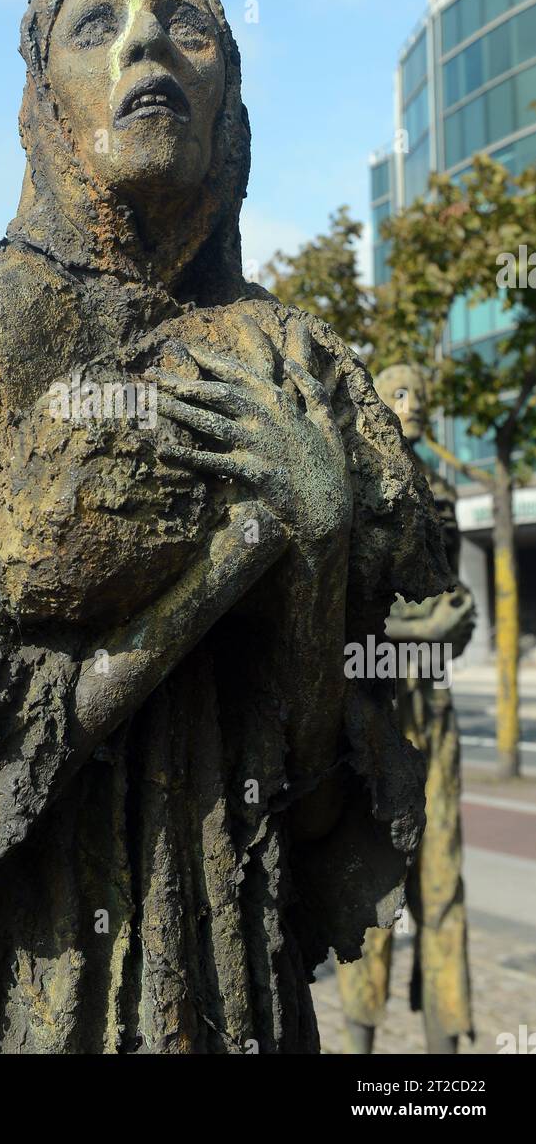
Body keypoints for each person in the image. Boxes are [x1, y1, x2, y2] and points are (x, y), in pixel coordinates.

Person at [0, 0, 450, 1054]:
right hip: (38, 976)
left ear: (228, 98)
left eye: (188, 29)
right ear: (45, 100)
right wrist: (220, 567)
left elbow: (320, 794)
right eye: (101, 26)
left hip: (236, 972)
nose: (149, 47)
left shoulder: (292, 356)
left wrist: (320, 541)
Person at [337, 364, 474, 1054]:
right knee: (374, 876)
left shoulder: (441, 492)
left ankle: (444, 1056)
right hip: (378, 699)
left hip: (433, 704)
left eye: (417, 392)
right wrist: (422, 626)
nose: (410, 403)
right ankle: (361, 1046)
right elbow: (349, 608)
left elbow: (459, 610)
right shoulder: (364, 484)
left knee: (442, 874)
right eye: (398, 392)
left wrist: (444, 621)